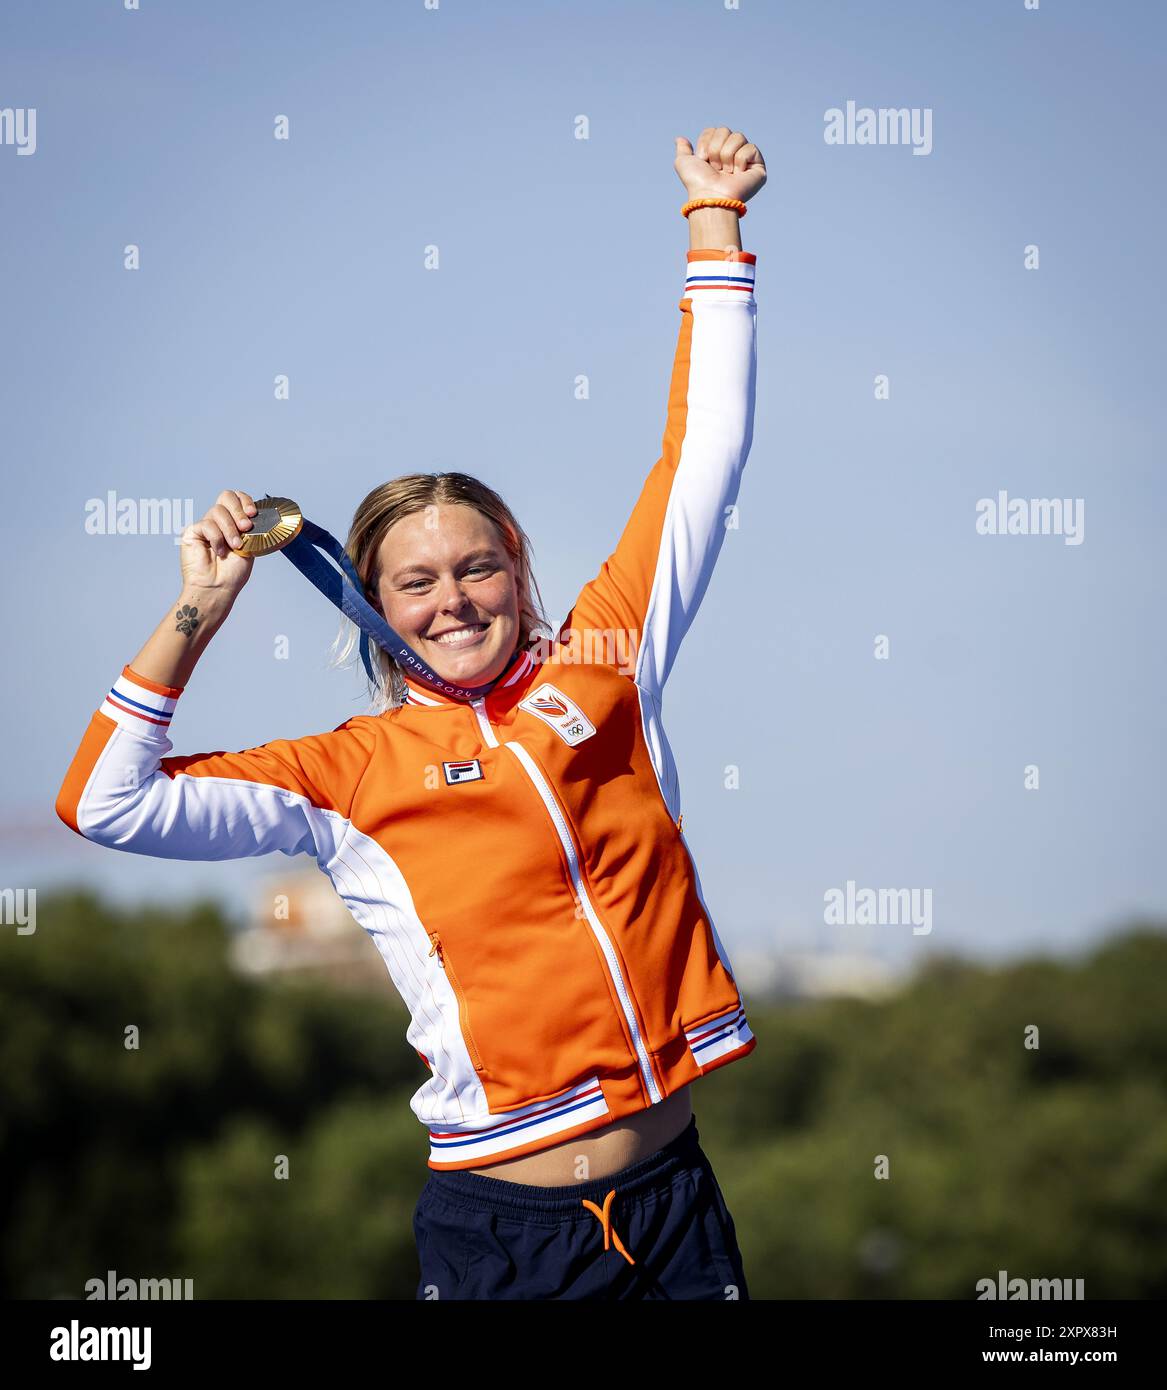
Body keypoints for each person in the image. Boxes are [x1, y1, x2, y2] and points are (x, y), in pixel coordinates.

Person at [56, 125, 766, 1300]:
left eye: (477, 567)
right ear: (375, 606)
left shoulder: (605, 660)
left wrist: (714, 220)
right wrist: (199, 607)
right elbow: (104, 801)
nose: (455, 600)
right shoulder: (348, 774)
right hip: (501, 1236)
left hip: (677, 1203)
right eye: (417, 582)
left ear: (519, 565)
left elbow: (704, 454)